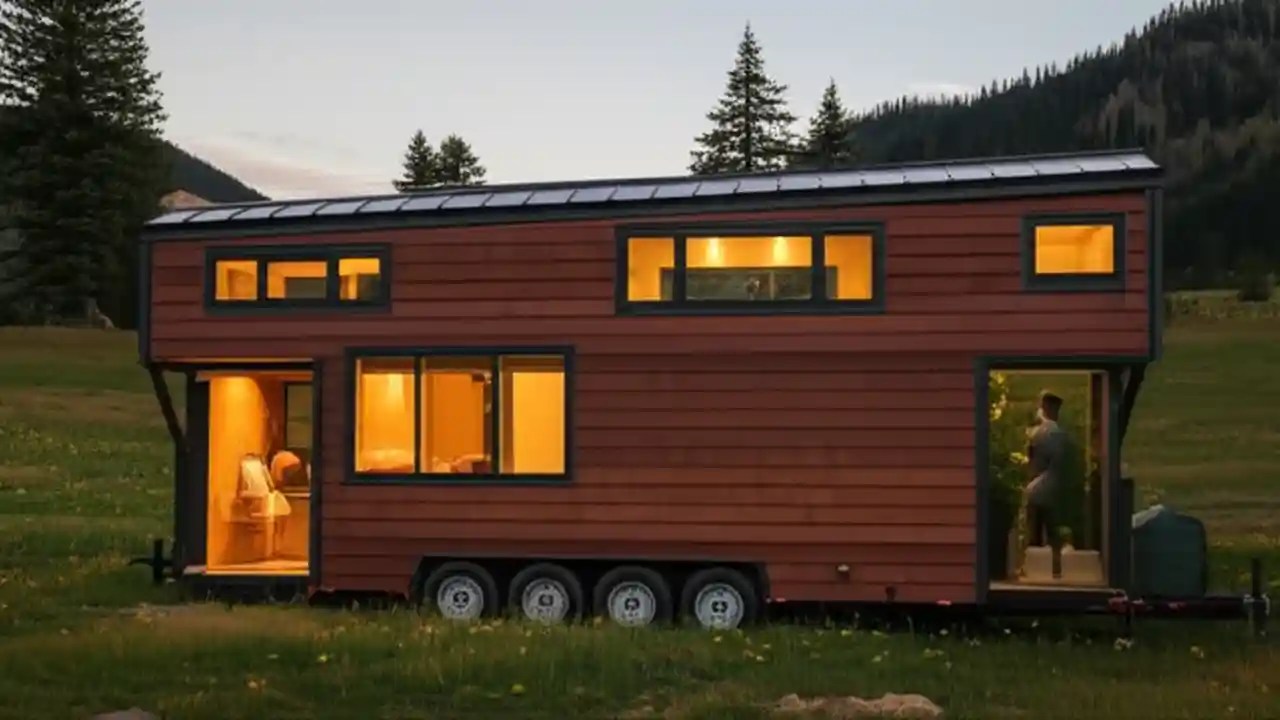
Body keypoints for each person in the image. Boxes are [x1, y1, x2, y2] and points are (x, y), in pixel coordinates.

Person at [1024, 391, 1067, 579]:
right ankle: (1054, 569)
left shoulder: (1041, 432)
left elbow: (1033, 460)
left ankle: (1035, 567)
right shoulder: (1054, 432)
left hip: (1039, 487)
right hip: (1050, 488)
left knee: (1037, 531)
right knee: (1051, 532)